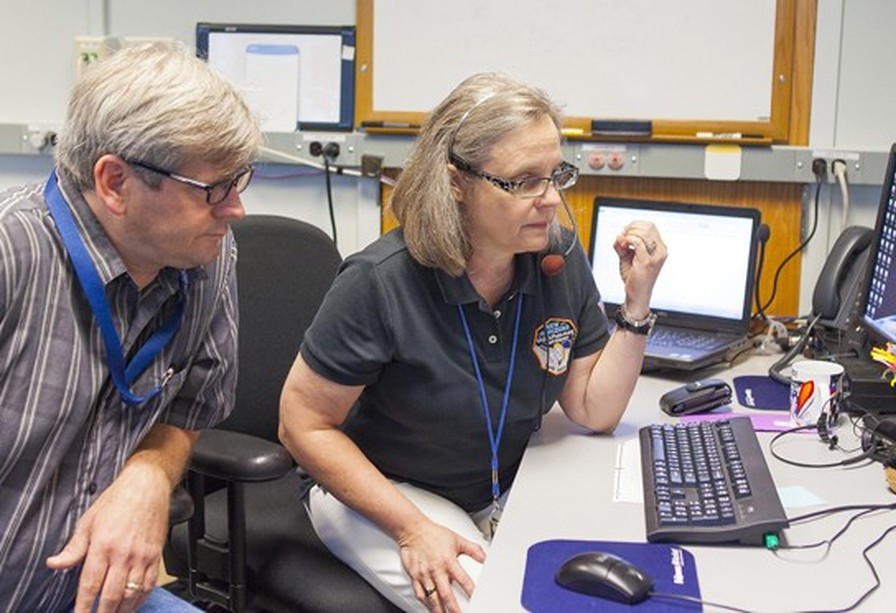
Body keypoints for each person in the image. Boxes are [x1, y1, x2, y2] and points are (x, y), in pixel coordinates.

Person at [278, 71, 665, 612]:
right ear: (456, 182)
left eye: (556, 175)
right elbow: (303, 425)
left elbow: (593, 409)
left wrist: (637, 303)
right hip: (384, 492)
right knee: (499, 607)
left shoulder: (556, 259)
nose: (551, 199)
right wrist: (411, 528)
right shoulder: (379, 282)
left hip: (499, 486)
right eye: (524, 181)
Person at [0, 42, 261, 612]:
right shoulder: (11, 256)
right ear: (115, 182)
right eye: (213, 189)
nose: (235, 209)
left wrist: (149, 473)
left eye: (239, 180)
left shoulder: (206, 256)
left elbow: (190, 410)